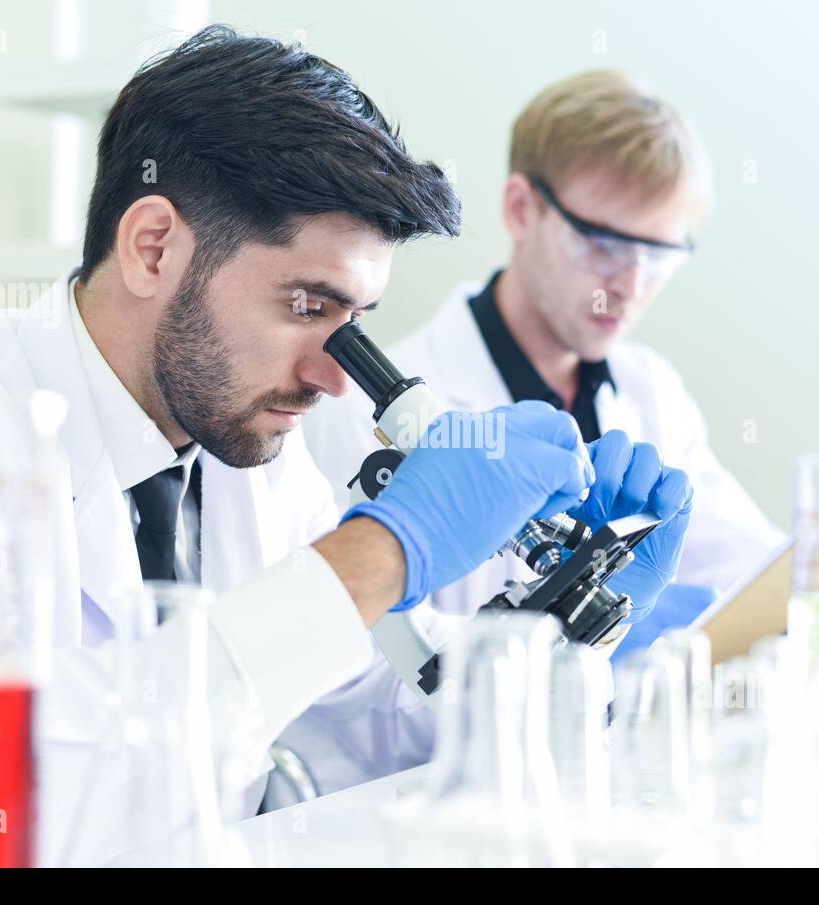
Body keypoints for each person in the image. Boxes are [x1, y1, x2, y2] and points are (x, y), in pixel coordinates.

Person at [0, 28, 692, 866]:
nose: (338, 375)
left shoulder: (242, 456)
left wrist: (560, 630)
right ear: (154, 247)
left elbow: (368, 730)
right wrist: (383, 549)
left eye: (357, 324)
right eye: (308, 305)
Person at [305, 70, 783, 657]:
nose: (631, 286)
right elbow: (354, 691)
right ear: (521, 209)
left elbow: (761, 570)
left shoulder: (650, 389)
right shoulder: (349, 413)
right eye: (605, 244)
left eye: (659, 257)